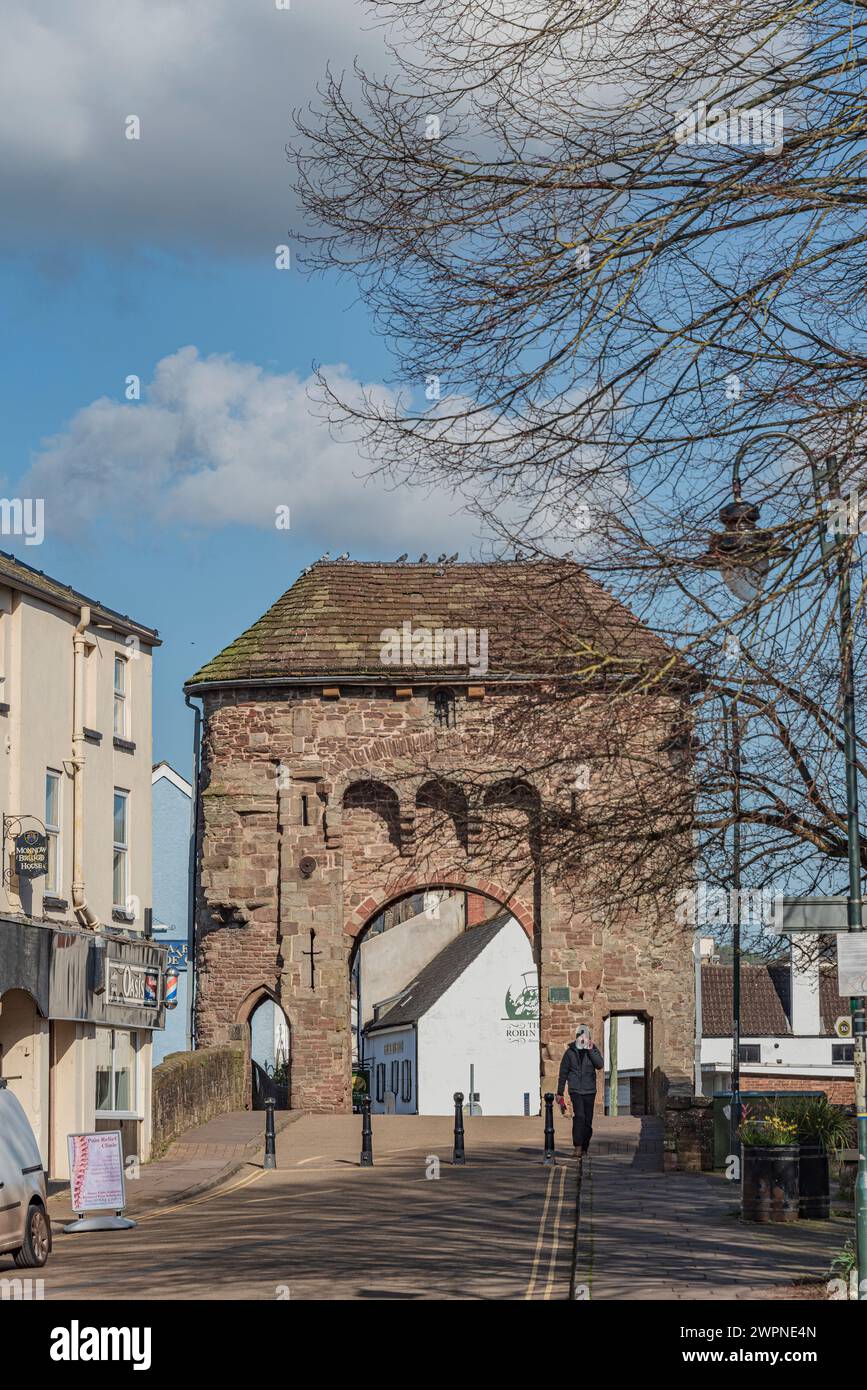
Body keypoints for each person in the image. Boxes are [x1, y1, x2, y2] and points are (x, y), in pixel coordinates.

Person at [556, 1025, 604, 1157]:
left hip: (590, 1090)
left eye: (585, 1037)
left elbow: (599, 1065)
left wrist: (590, 1050)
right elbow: (563, 1073)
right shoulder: (570, 1052)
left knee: (588, 1121)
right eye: (580, 1037)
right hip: (575, 1090)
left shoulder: (593, 1049)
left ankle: (584, 1148)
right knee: (579, 1117)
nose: (582, 1040)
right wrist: (560, 1093)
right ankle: (577, 1146)